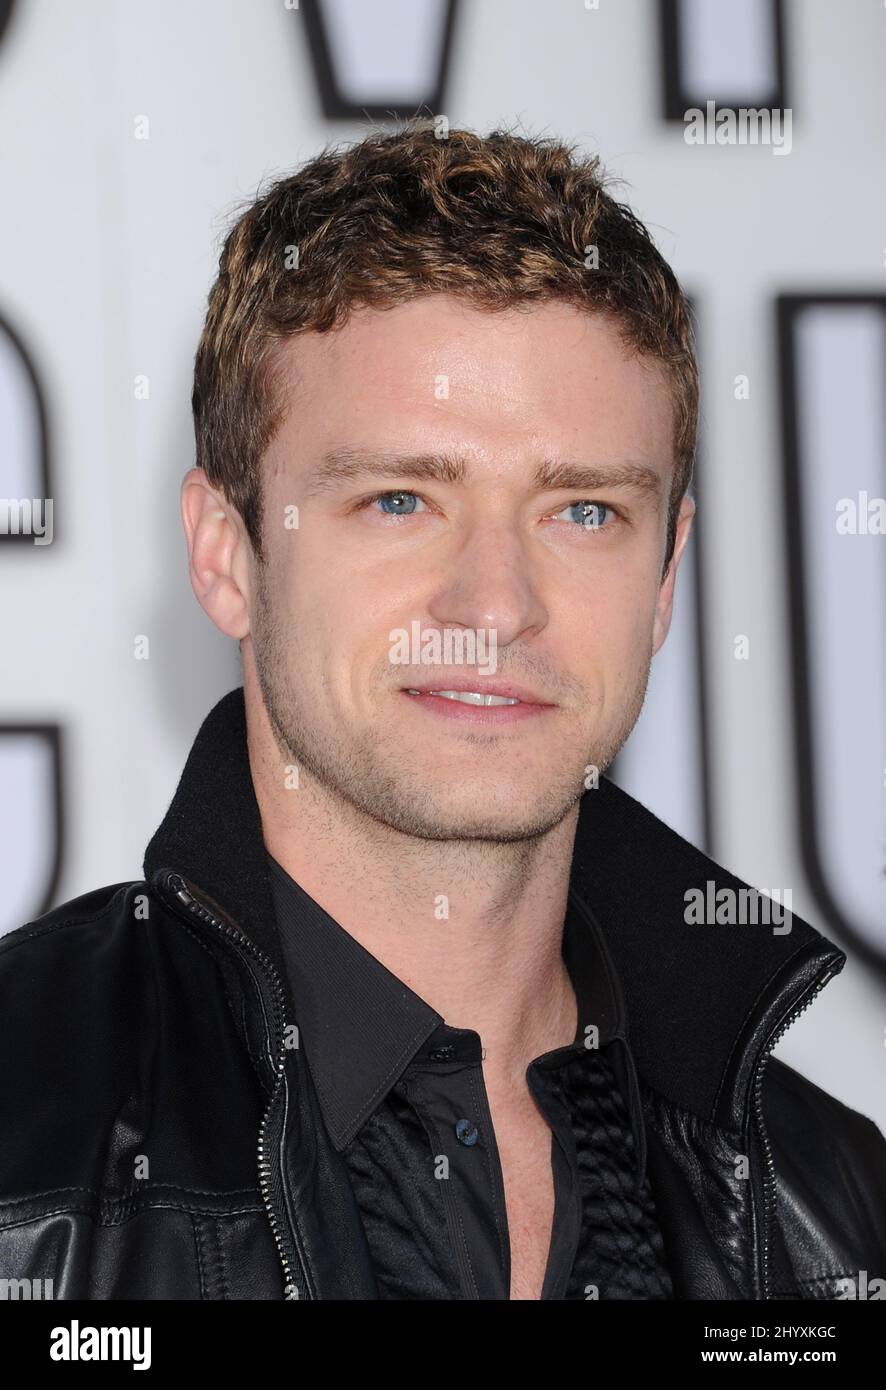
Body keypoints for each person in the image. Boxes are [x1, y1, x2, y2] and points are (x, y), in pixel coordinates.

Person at [2, 122, 884, 1301]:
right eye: (402, 498)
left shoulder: (832, 1213)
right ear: (227, 553)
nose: (497, 605)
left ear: (666, 578)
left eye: (582, 513)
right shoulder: (24, 1161)